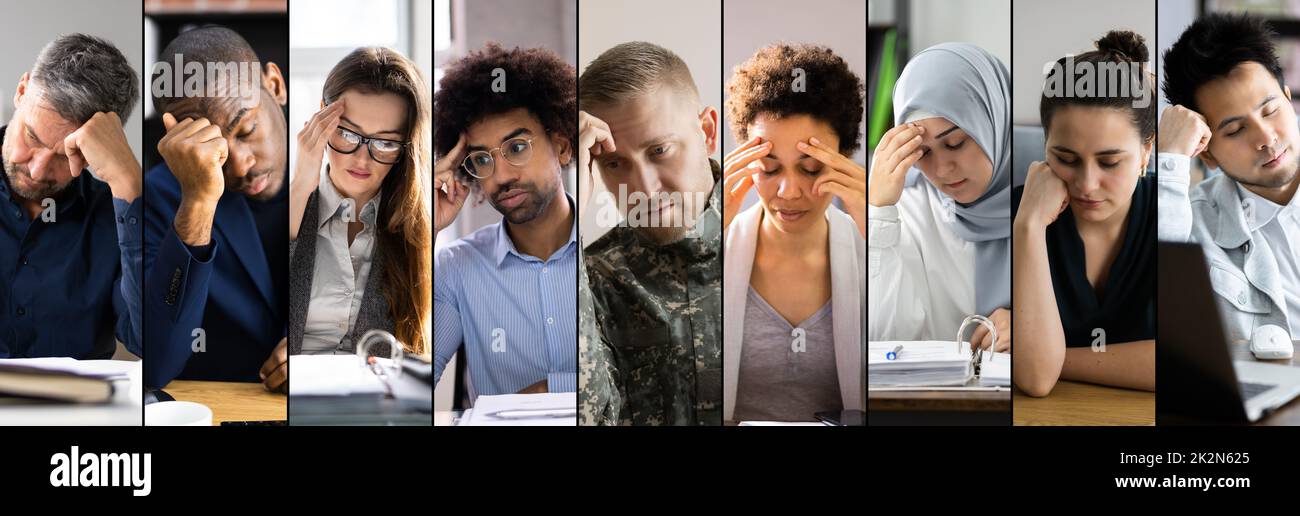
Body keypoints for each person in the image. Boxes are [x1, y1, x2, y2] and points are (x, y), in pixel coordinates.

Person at [577, 41, 722, 425]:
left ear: (708, 131)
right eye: (615, 163)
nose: (643, 187)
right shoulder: (588, 278)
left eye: (659, 150)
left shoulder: (775, 242)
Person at [720, 43, 865, 422]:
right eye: (769, 168)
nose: (789, 192)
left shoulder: (871, 250)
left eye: (811, 168)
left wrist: (880, 236)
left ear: (844, 159)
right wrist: (699, 244)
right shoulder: (710, 249)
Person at [143, 26, 291, 391]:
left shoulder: (344, 176)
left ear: (275, 85)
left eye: (247, 129)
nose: (240, 165)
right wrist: (197, 203)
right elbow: (156, 367)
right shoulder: (158, 198)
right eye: (215, 149)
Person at [1013, 31, 1157, 397]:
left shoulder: (1173, 212)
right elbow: (1034, 379)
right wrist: (1029, 227)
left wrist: (1057, 355)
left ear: (1145, 152)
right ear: (1044, 146)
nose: (1087, 184)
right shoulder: (1017, 215)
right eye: (1065, 159)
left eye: (1109, 162)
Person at [433, 43, 578, 397]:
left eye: (516, 149)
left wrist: (552, 389)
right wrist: (424, 228)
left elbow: (650, 383)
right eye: (482, 160)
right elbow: (403, 377)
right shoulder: (455, 268)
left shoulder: (616, 255)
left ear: (561, 146)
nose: (500, 177)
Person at [1160, 13, 1300, 343]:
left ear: (1288, 98)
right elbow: (1159, 317)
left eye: (1270, 110)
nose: (1266, 137)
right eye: (1236, 130)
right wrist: (1170, 160)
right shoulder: (1191, 225)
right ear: (1206, 152)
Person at [0, 34, 142, 359]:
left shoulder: (117, 216)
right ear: (21, 91)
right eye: (31, 137)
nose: (37, 171)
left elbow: (147, 342)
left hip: (82, 410)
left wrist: (129, 182)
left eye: (66, 156)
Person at [288, 47, 431, 359]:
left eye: (385, 142)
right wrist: (300, 185)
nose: (362, 158)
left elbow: (417, 356)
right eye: (348, 134)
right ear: (321, 117)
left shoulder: (414, 230)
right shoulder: (287, 204)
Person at [869, 43, 1012, 352]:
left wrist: (1038, 325)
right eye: (922, 152)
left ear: (994, 122)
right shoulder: (908, 206)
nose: (942, 170)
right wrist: (880, 213)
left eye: (956, 142)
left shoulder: (1051, 191)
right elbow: (886, 341)